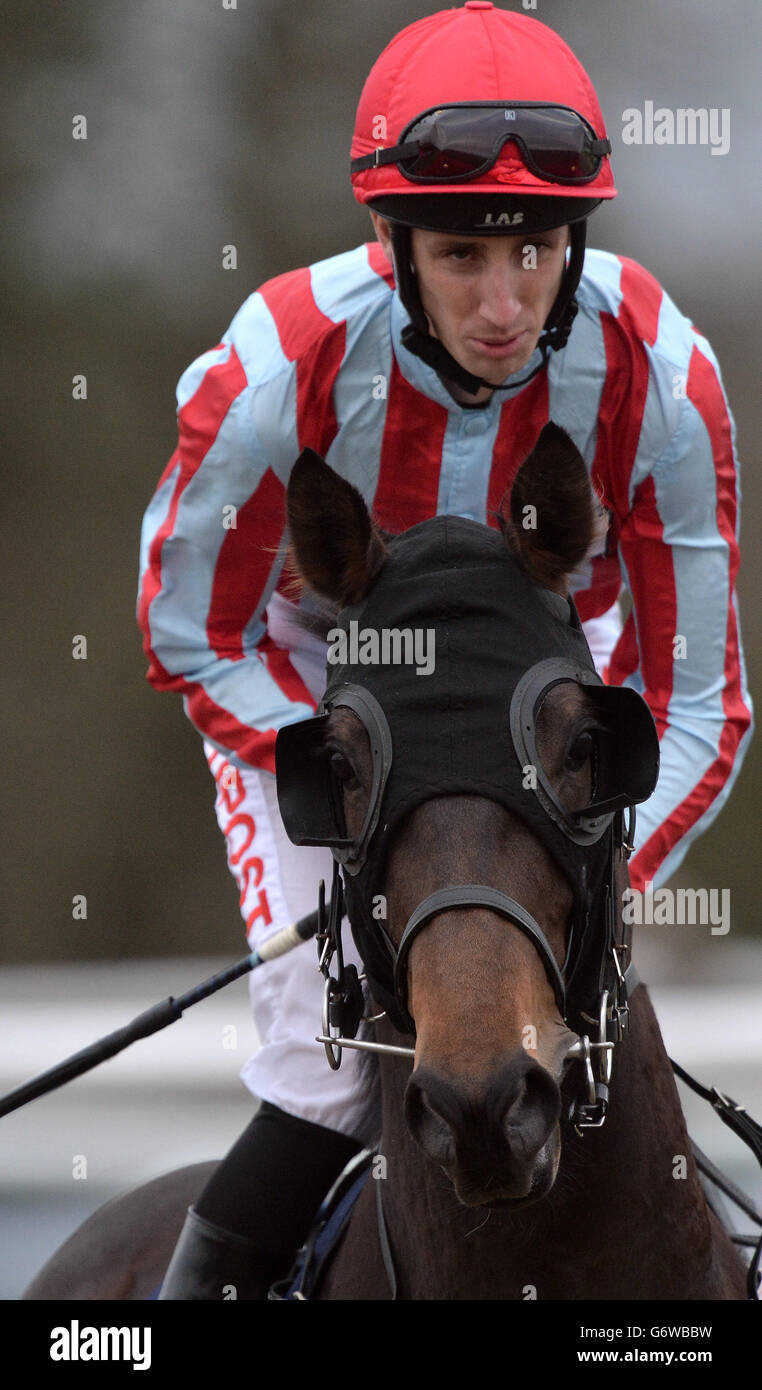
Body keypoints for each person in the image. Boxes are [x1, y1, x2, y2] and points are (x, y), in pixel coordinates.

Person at [137, 4, 752, 1298]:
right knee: (328, 1062)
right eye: (462, 253)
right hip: (320, 678)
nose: (502, 301)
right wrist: (381, 810)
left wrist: (584, 862)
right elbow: (186, 631)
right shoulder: (274, 368)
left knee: (582, 1010)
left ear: (574, 238)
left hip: (535, 681)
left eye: (533, 251)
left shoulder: (666, 377)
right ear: (391, 244)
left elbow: (699, 696)